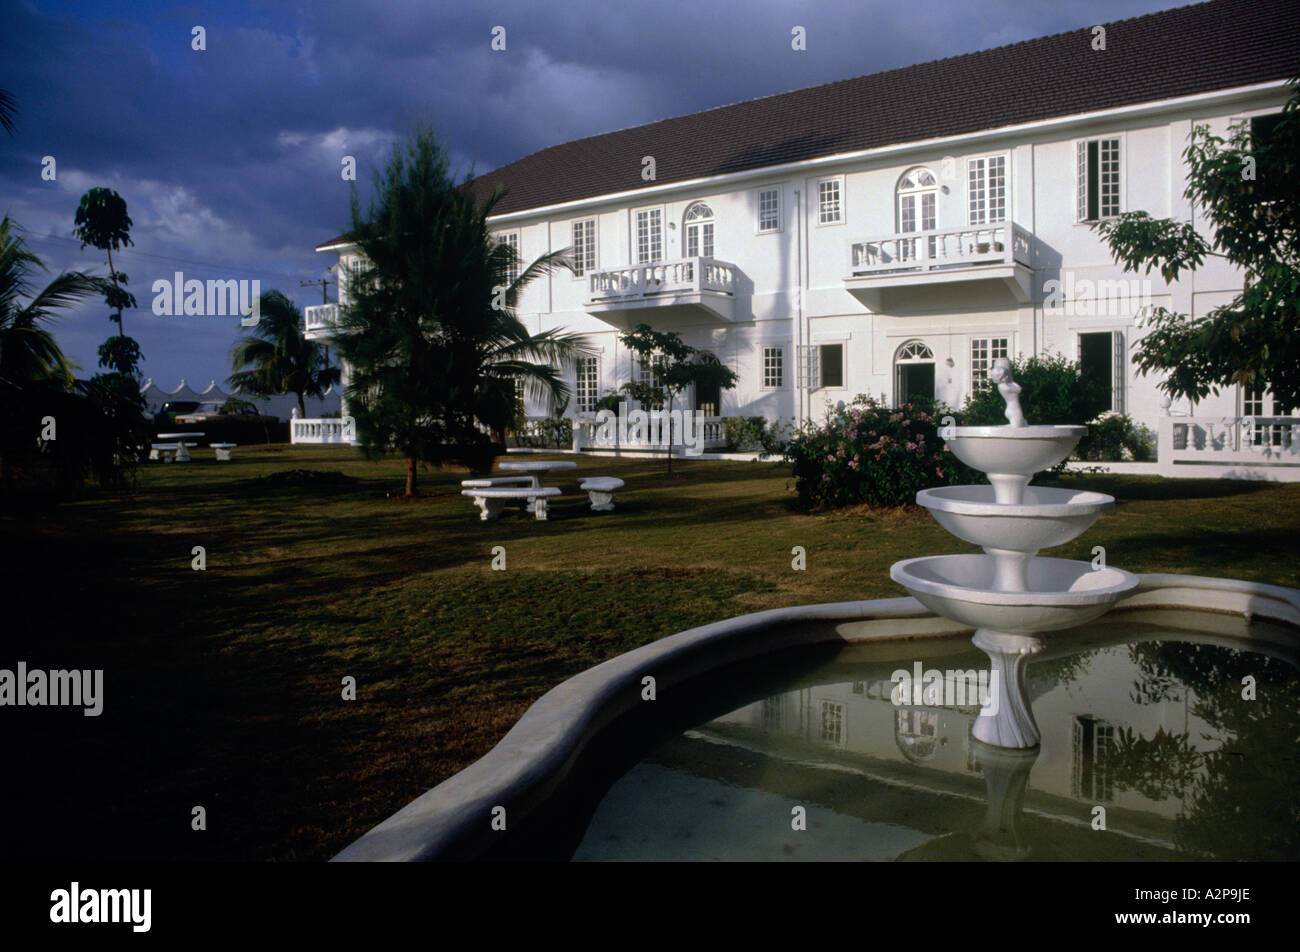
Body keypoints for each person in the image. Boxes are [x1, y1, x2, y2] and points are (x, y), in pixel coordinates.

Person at [990, 358, 1027, 427]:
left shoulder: (1003, 385)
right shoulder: (1004, 386)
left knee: (1023, 425)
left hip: (1012, 409)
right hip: (1015, 410)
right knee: (1017, 432)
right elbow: (1019, 389)